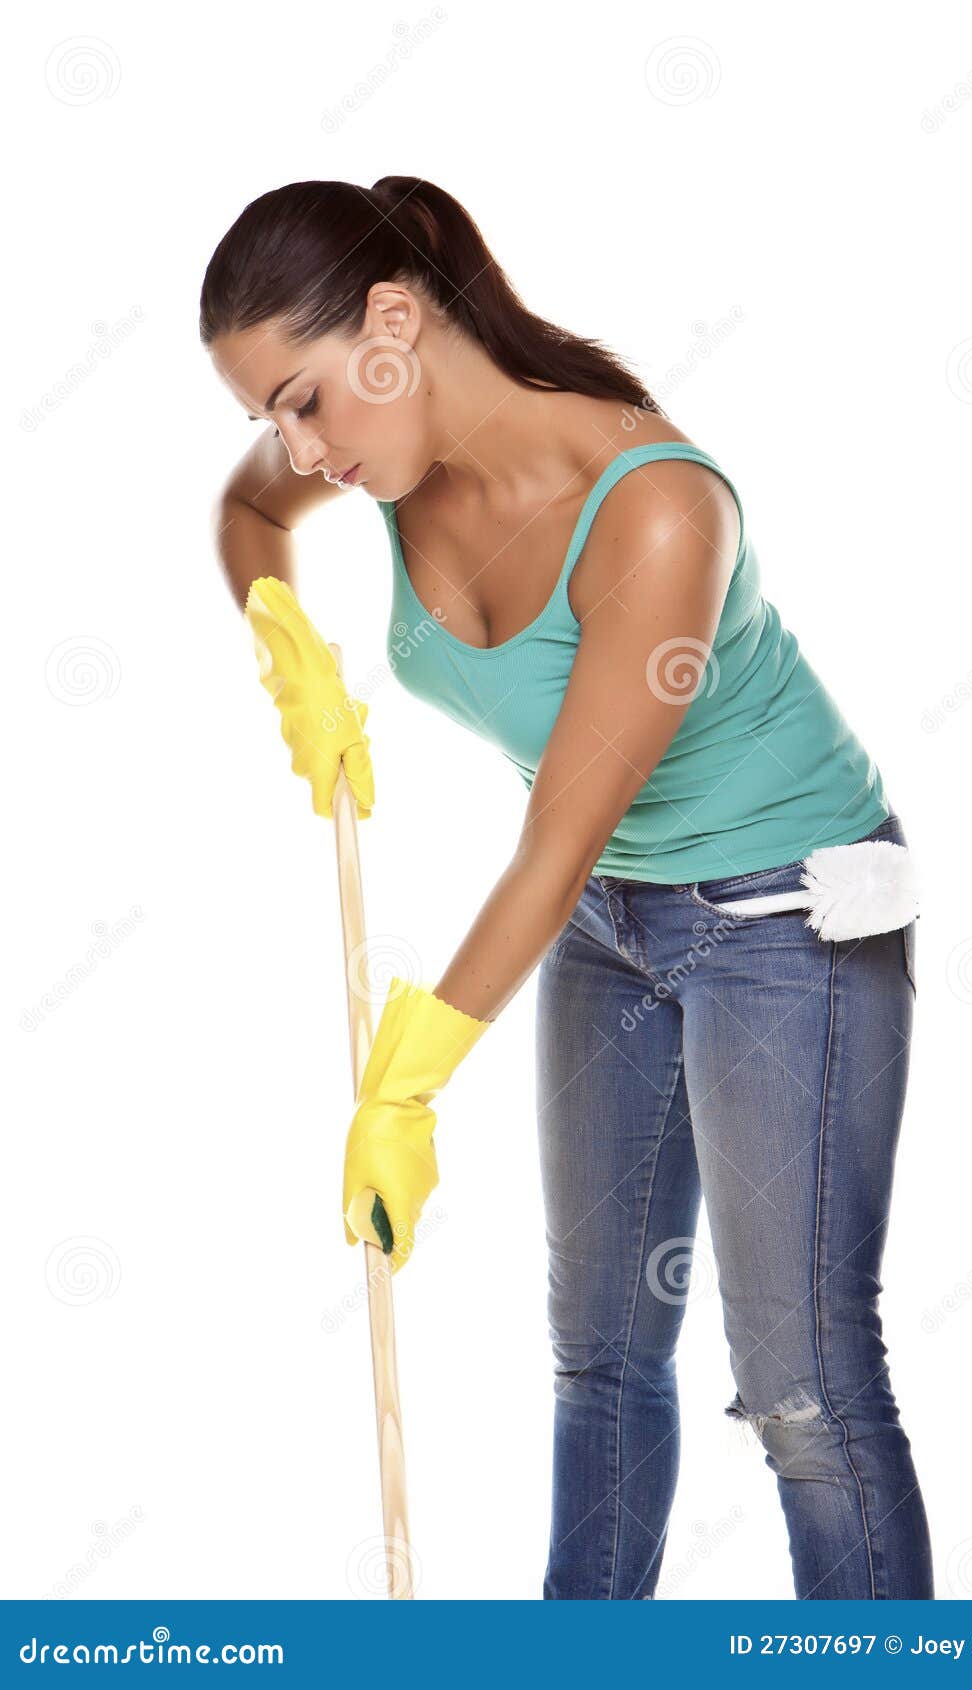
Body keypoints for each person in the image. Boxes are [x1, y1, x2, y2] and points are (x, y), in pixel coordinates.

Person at [201, 176, 933, 1601]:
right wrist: (281, 627)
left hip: (787, 919)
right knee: (601, 1352)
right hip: (609, 918)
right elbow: (247, 510)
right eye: (271, 418)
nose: (299, 449)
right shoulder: (381, 443)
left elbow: (554, 838)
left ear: (394, 322)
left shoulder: (658, 510)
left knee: (802, 1382)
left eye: (304, 402)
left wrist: (406, 1078)